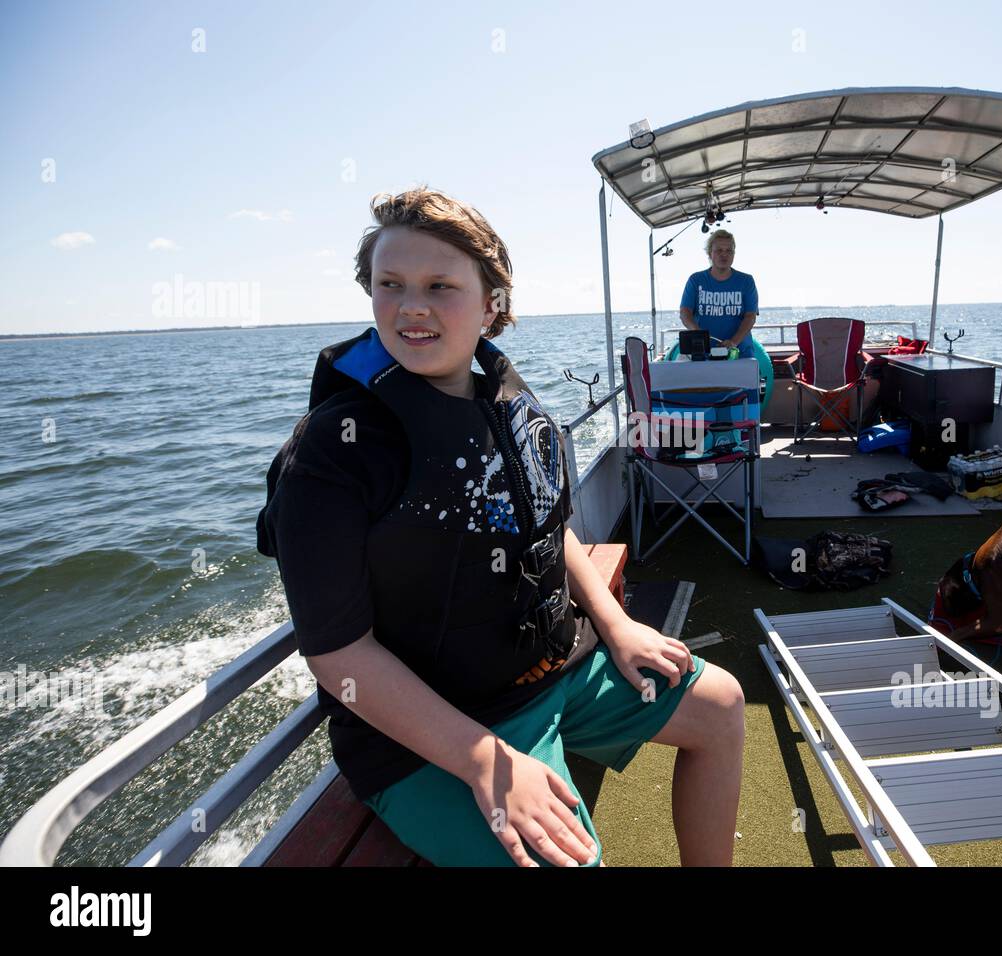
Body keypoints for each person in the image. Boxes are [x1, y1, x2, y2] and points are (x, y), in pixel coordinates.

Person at [255, 187, 745, 867]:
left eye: (439, 286)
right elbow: (338, 655)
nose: (411, 306)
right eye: (390, 284)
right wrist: (485, 761)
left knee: (720, 705)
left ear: (493, 305)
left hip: (551, 671)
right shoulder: (334, 454)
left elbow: (546, 524)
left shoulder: (502, 399)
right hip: (428, 735)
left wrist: (616, 622)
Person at [679, 229, 759, 358]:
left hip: (739, 354)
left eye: (729, 251)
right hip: (704, 354)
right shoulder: (695, 280)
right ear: (710, 253)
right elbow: (685, 313)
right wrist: (699, 335)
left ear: (734, 254)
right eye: (719, 250)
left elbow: (750, 316)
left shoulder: (746, 281)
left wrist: (733, 342)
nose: (724, 255)